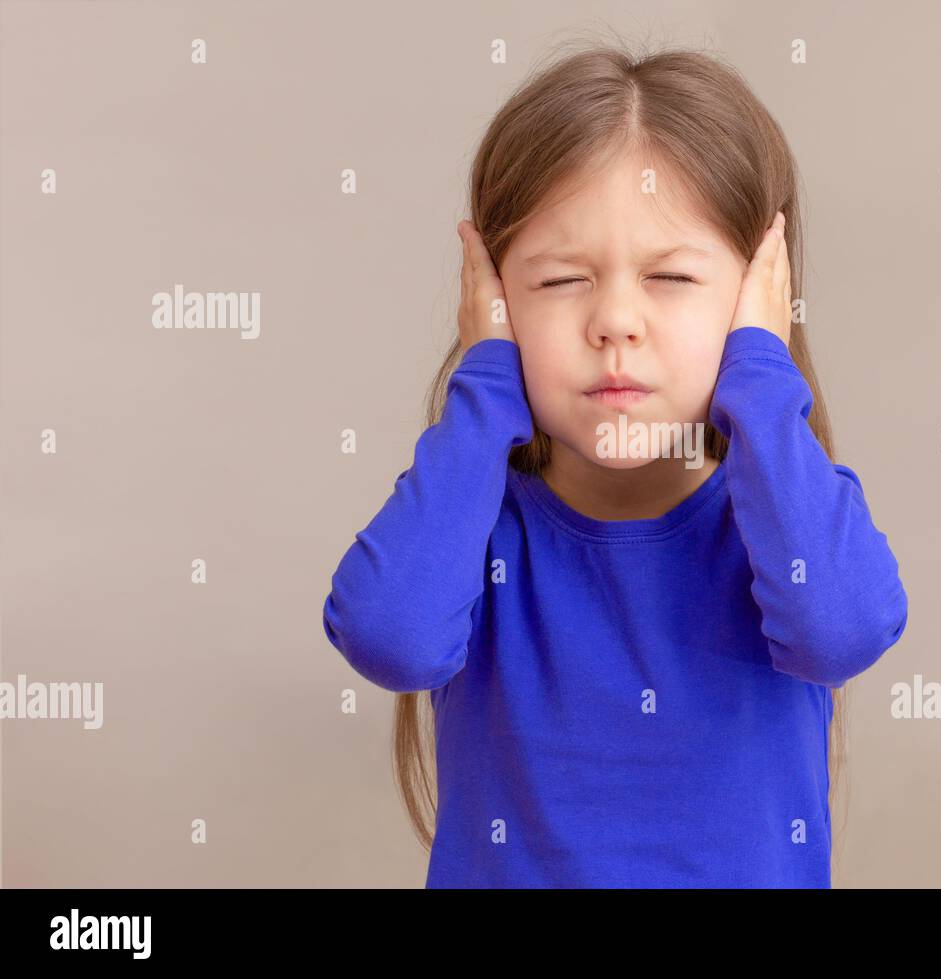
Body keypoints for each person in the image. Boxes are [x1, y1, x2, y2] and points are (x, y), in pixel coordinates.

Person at [322, 43, 908, 888]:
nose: (616, 322)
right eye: (562, 281)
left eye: (671, 276)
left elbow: (844, 626)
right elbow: (390, 637)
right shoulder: (472, 527)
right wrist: (485, 382)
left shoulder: (782, 527)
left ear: (760, 299)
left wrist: (763, 380)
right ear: (493, 299)